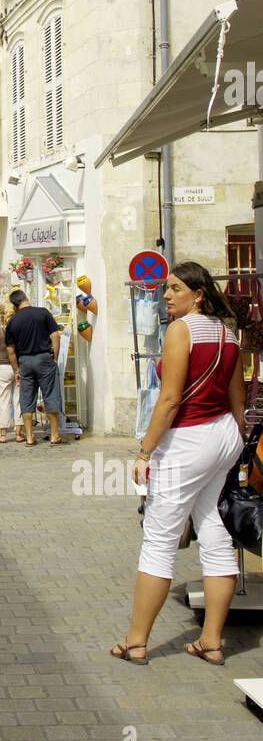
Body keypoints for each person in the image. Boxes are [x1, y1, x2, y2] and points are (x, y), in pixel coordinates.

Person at [110, 262, 245, 666]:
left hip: (189, 437)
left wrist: (145, 451)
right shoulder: (227, 332)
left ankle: (136, 642)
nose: (166, 296)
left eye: (175, 289)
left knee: (159, 537)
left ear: (198, 294)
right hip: (223, 434)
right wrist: (234, 441)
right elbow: (238, 397)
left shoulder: (180, 330)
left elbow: (169, 399)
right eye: (165, 289)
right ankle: (211, 641)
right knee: (214, 531)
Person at [4, 289, 63, 446]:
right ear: (27, 298)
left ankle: (29, 436)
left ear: (14, 305)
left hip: (25, 361)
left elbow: (10, 350)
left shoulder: (13, 321)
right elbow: (55, 335)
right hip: (44, 358)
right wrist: (55, 356)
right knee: (50, 395)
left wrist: (17, 369)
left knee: (26, 398)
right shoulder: (43, 313)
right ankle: (54, 435)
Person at [0, 303, 23, 443]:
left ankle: (2, 434)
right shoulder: (19, 330)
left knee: (3, 400)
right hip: (18, 367)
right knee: (18, 400)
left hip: (3, 367)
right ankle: (19, 433)